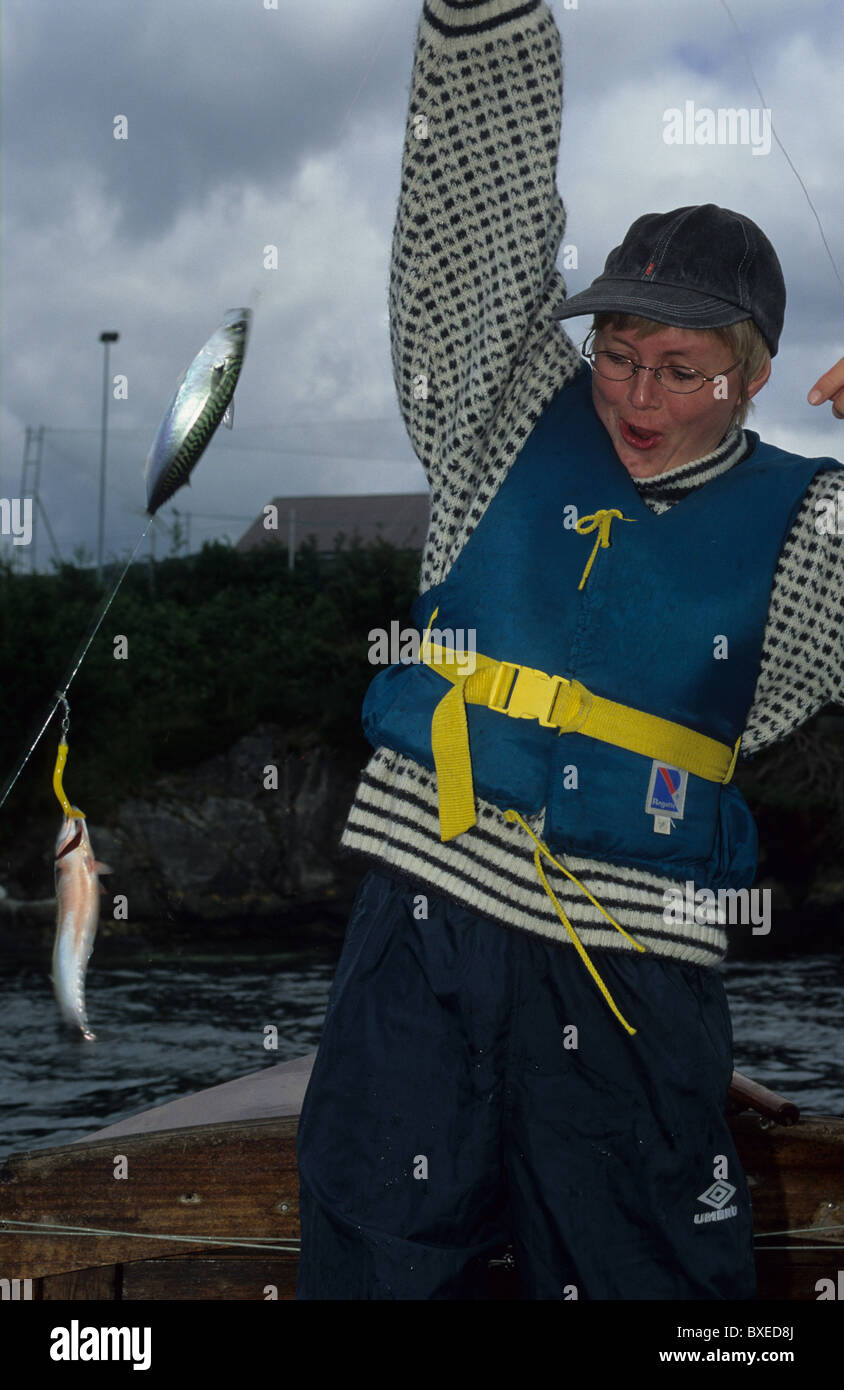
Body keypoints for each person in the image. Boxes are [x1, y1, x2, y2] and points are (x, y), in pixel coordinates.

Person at [296, 0, 844, 1300]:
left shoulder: (815, 529)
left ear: (755, 373)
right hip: (427, 924)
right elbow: (475, 223)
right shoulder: (499, 419)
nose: (635, 396)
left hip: (639, 969)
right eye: (613, 353)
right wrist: (482, 22)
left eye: (678, 366)